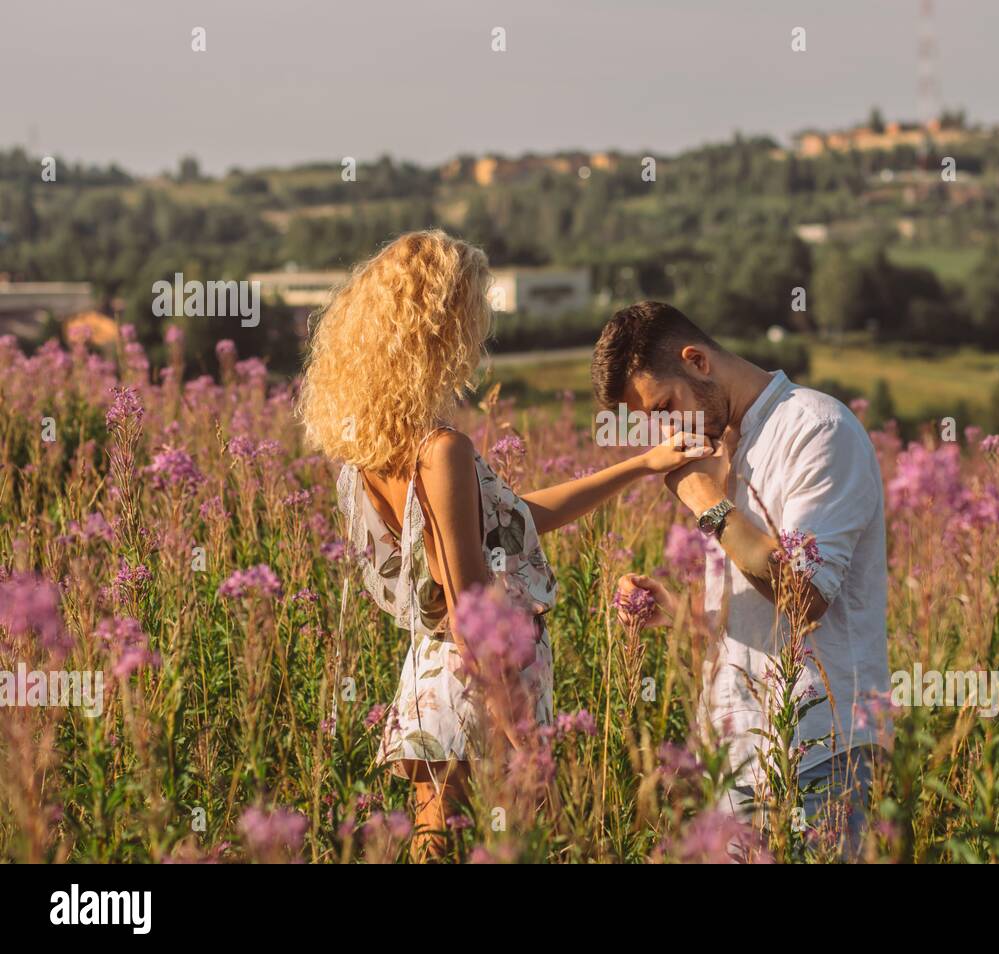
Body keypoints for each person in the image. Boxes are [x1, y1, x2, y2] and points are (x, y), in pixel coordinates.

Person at [297, 234, 706, 859]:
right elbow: (471, 610)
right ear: (441, 328)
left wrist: (641, 466)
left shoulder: (373, 450)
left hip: (434, 680)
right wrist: (524, 737)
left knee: (435, 848)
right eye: (471, 313)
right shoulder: (441, 450)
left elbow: (513, 523)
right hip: (479, 692)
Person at [597, 301, 889, 847]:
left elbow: (805, 596)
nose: (665, 431)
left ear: (698, 362)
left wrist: (706, 502)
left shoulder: (816, 428)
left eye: (665, 406)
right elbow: (763, 616)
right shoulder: (732, 443)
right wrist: (684, 616)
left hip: (817, 752)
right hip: (740, 759)